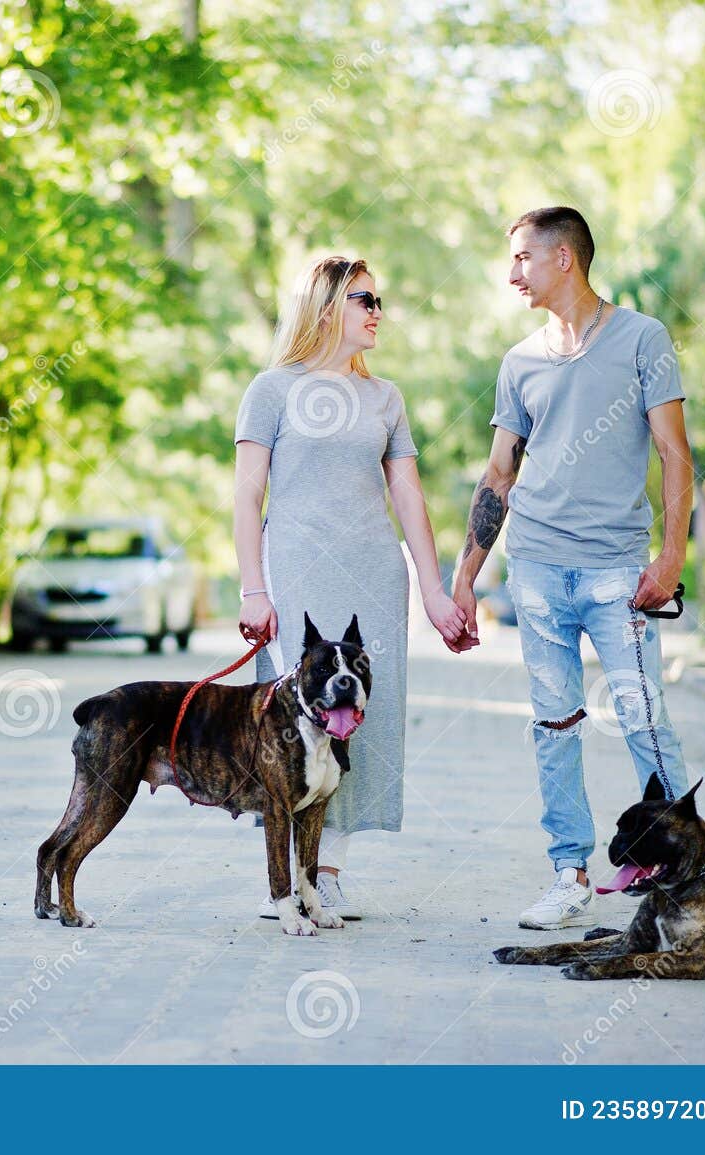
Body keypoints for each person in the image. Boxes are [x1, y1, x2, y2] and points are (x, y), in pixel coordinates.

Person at [450, 206, 696, 931]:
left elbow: (674, 453)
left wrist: (671, 557)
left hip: (619, 571)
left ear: (565, 259)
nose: (512, 273)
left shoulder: (643, 339)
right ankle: (569, 873)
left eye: (523, 257)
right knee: (554, 724)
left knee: (646, 722)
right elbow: (499, 474)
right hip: (535, 570)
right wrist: (466, 575)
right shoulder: (518, 361)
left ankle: (690, 872)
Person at [234, 255, 469, 922]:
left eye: (379, 300)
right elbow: (248, 493)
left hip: (373, 572)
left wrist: (433, 588)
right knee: (293, 723)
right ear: (326, 306)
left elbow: (407, 492)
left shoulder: (385, 397)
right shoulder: (272, 389)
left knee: (355, 721)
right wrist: (254, 587)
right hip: (297, 567)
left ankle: (325, 872)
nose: (377, 311)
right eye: (364, 299)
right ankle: (285, 879)